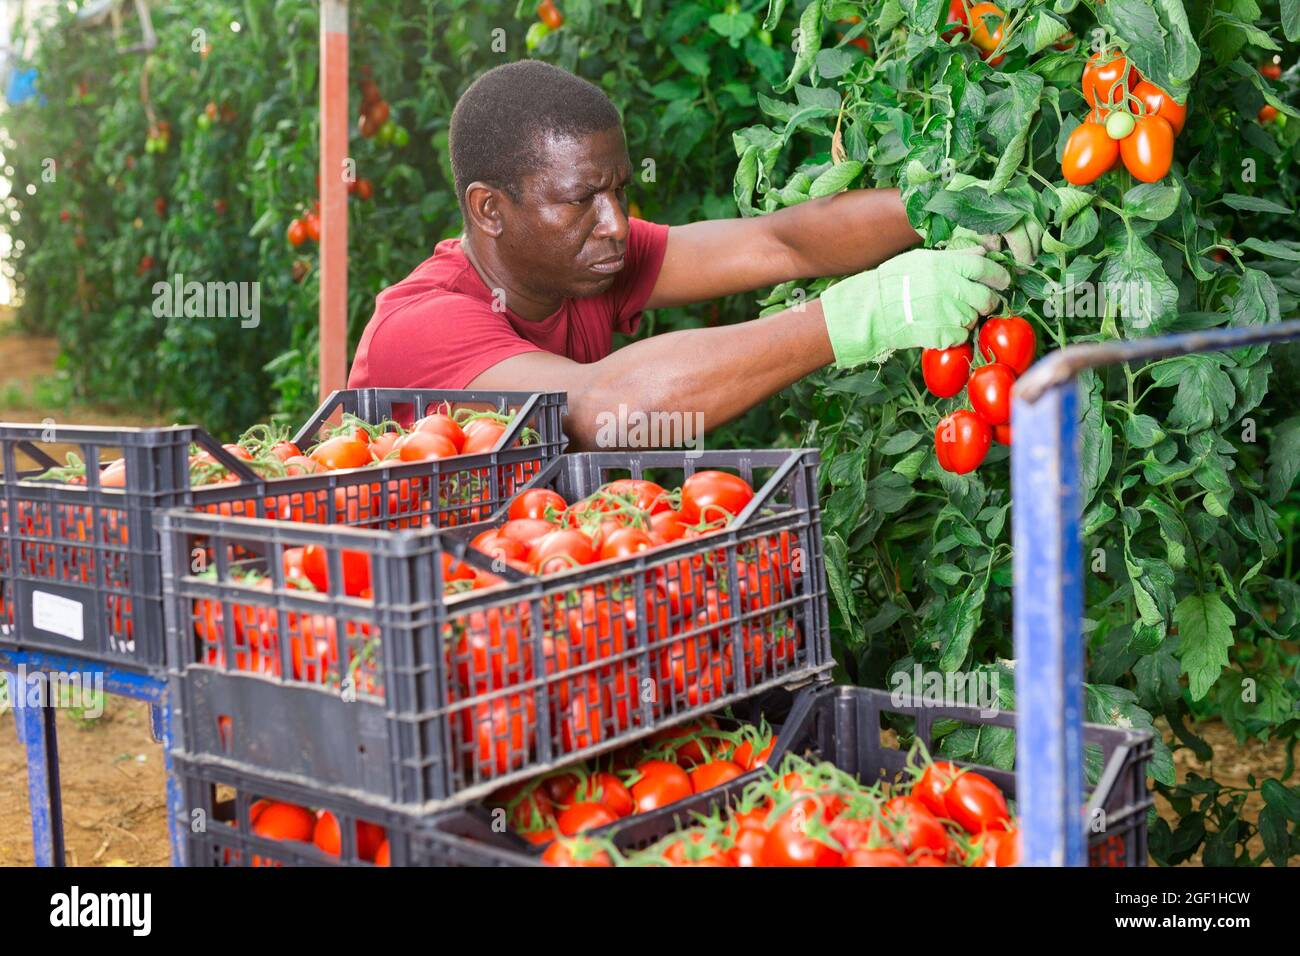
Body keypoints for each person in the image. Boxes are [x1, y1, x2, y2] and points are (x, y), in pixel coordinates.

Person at [348, 60, 1031, 448]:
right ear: (489, 209)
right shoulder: (423, 328)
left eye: (619, 190)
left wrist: (941, 210)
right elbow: (600, 406)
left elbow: (778, 241)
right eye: (580, 199)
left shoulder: (584, 262)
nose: (615, 223)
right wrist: (862, 316)